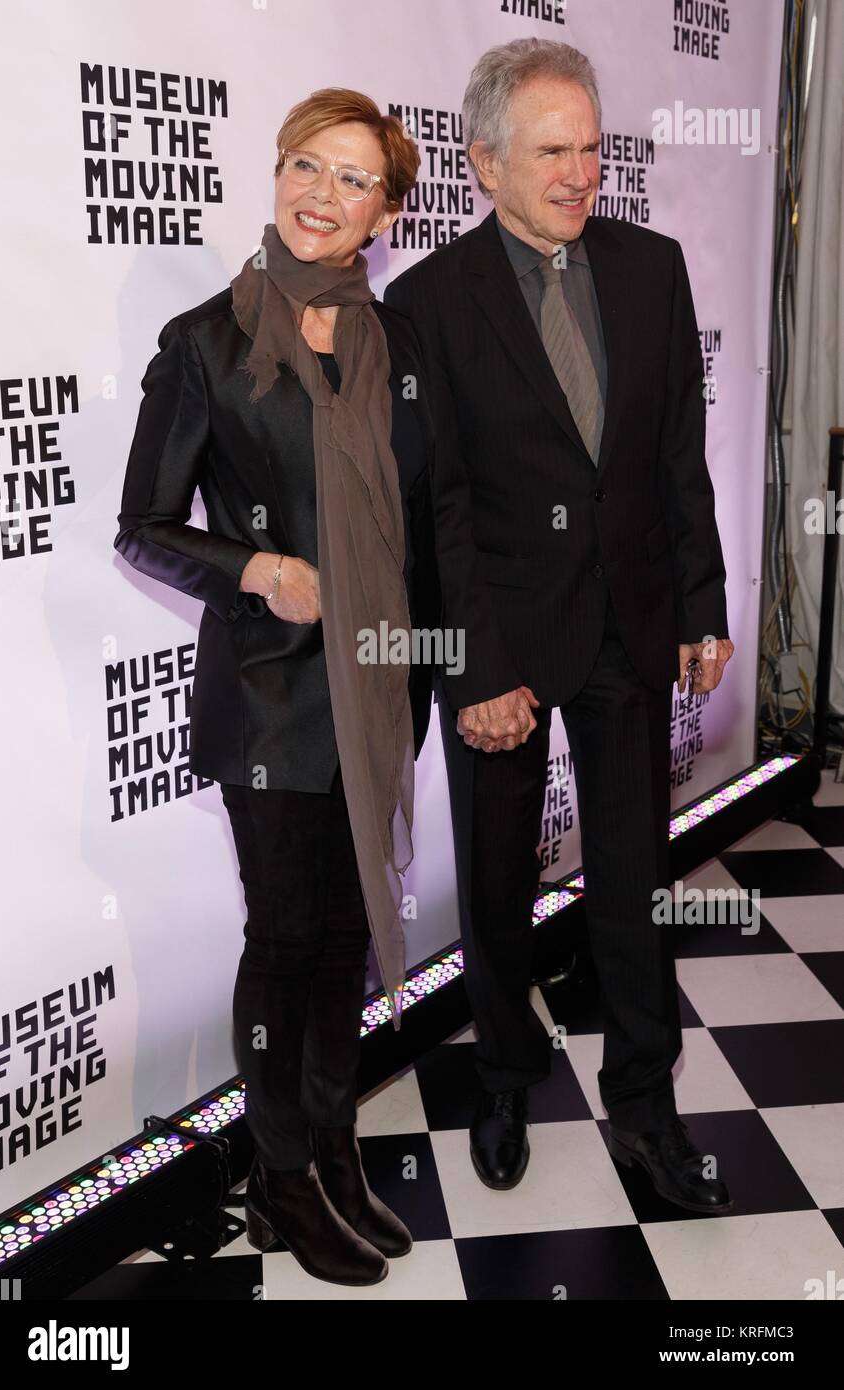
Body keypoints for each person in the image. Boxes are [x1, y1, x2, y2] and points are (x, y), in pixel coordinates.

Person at [385, 38, 736, 1213]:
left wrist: (701, 603)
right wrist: (476, 666)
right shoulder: (426, 302)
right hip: (499, 644)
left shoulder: (654, 266)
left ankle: (644, 1109)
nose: (583, 172)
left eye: (590, 147)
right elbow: (433, 510)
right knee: (494, 884)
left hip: (632, 631)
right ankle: (499, 1076)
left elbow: (675, 453)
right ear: (483, 163)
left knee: (635, 880)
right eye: (553, 152)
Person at [114, 88, 440, 1285]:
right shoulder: (206, 341)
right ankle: (281, 1172)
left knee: (344, 932)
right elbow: (142, 526)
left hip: (376, 684)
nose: (321, 193)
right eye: (307, 164)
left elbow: (429, 521)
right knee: (287, 933)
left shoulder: (396, 344)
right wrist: (250, 565)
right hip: (269, 692)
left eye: (353, 180)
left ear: (384, 212)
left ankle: (332, 1145)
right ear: (277, 172)